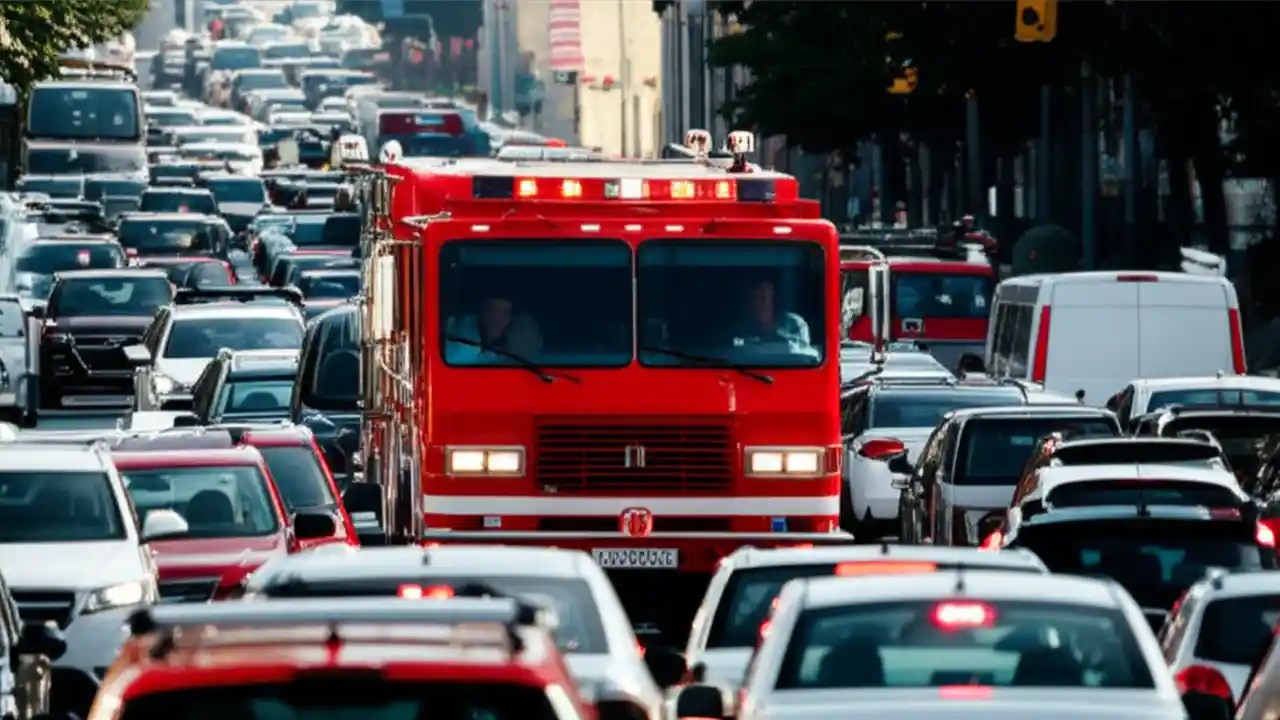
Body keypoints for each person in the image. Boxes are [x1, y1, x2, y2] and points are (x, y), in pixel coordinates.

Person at [445, 295, 542, 362]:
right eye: (491, 309)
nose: (496, 318)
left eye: (505, 313)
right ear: (482, 312)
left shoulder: (519, 355)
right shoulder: (456, 346)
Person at [729, 279, 813, 354]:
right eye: (760, 298)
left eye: (771, 298)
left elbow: (803, 355)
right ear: (749, 302)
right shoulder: (737, 330)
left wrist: (775, 335)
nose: (766, 304)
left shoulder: (794, 324)